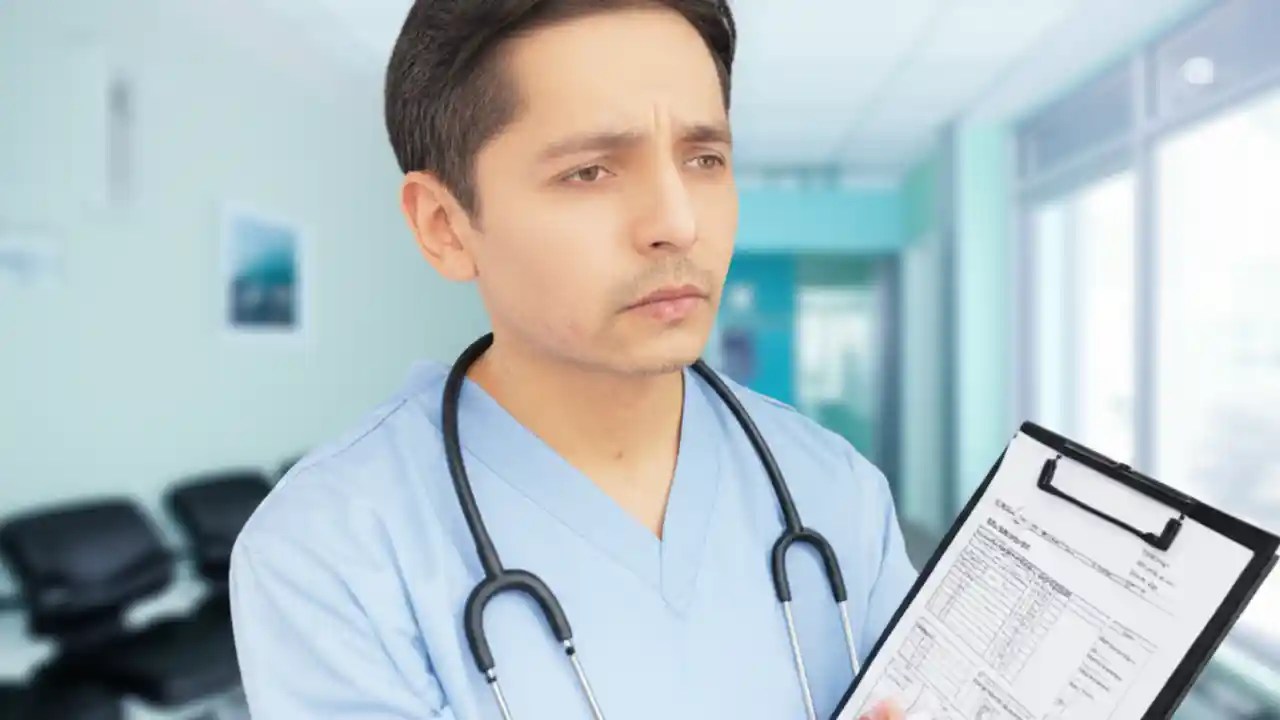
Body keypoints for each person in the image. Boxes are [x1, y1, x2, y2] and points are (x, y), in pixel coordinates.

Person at [228, 1, 914, 718]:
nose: (678, 223)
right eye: (590, 172)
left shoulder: (837, 490)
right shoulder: (330, 553)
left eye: (704, 159)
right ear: (445, 227)